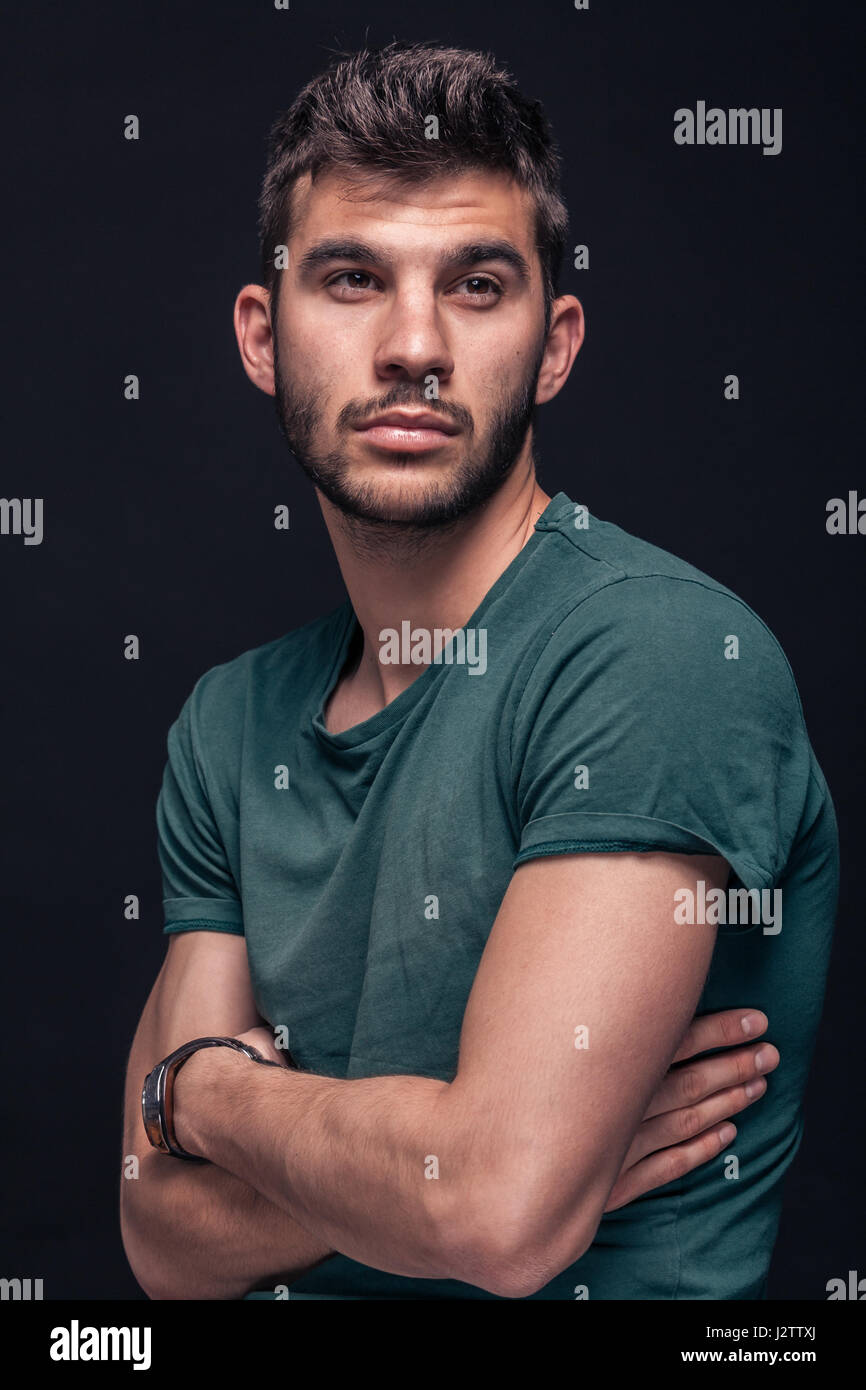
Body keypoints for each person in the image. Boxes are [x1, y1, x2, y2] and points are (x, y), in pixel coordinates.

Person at [120, 40, 838, 1301]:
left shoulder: (654, 653)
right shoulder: (227, 726)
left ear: (554, 345)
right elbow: (162, 1241)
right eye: (350, 277)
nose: (412, 344)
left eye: (476, 285)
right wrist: (445, 1169)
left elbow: (496, 1214)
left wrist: (207, 1092)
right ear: (260, 333)